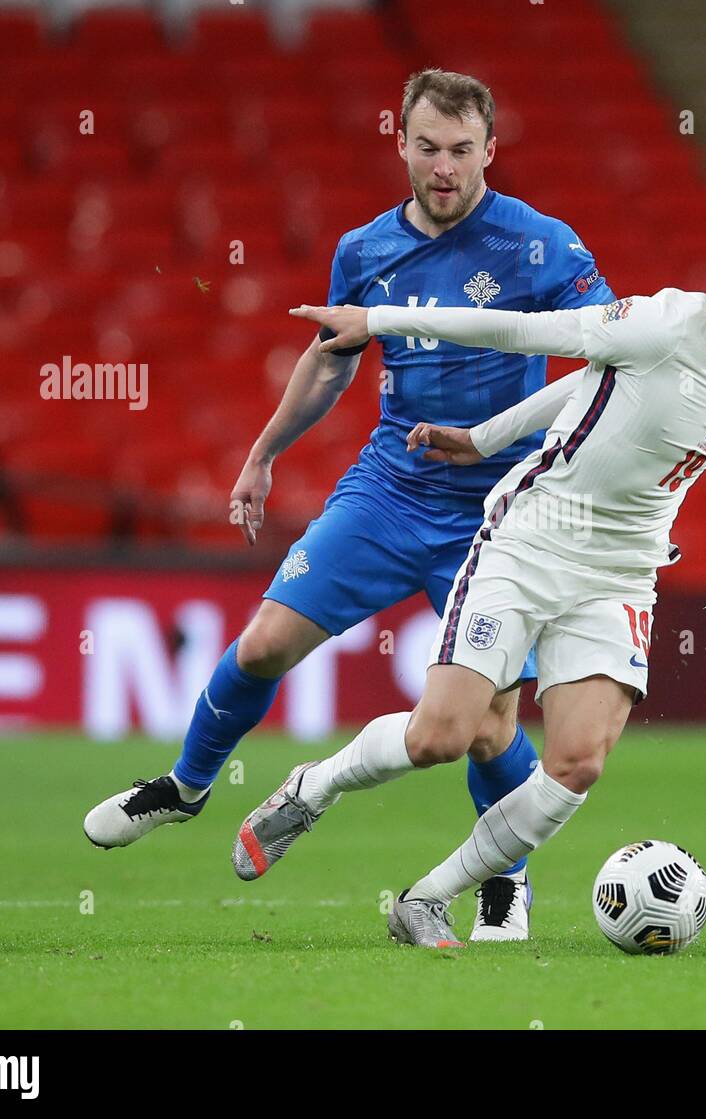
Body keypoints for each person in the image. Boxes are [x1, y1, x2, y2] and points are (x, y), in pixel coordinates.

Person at [83, 69, 614, 943]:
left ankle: (502, 879)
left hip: (496, 509)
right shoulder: (365, 250)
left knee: (488, 727)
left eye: (461, 149)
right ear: (400, 142)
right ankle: (184, 786)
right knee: (261, 644)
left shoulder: (541, 246)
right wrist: (262, 454)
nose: (444, 167)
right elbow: (332, 362)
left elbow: (607, 350)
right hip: (390, 487)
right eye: (427, 147)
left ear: (491, 149)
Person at [241, 210, 706, 947]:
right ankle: (312, 786)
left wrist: (484, 437)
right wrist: (377, 316)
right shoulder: (660, 323)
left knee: (577, 761)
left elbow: (592, 383)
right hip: (530, 542)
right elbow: (525, 332)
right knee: (441, 738)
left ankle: (426, 897)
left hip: (617, 574)